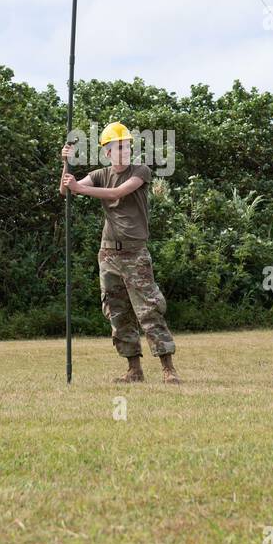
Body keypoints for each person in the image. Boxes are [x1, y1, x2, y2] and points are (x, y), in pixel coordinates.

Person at [60, 122, 180, 383]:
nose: (125, 150)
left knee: (149, 310)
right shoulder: (100, 174)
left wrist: (80, 188)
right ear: (107, 152)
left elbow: (117, 192)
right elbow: (65, 190)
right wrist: (66, 164)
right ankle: (134, 370)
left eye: (127, 145)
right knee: (117, 312)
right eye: (119, 147)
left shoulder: (141, 171)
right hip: (108, 255)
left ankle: (168, 369)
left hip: (134, 254)